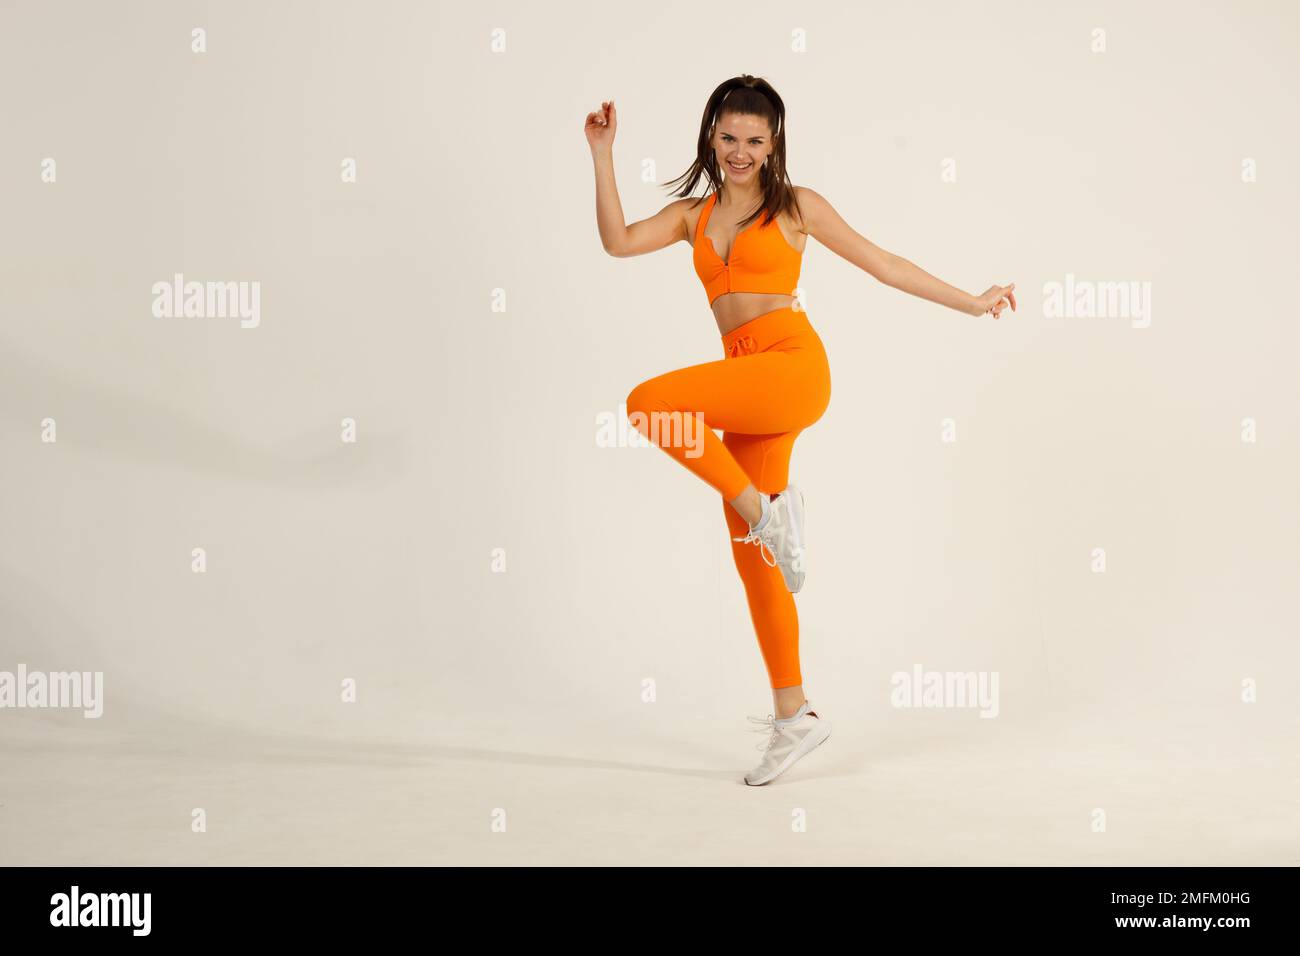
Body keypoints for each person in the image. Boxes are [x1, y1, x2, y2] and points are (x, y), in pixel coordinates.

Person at [586, 74, 1015, 786]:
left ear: (774, 141)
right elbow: (617, 242)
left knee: (647, 403)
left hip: (790, 368)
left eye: (755, 139)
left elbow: (885, 264)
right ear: (711, 136)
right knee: (753, 560)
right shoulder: (693, 217)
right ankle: (795, 716)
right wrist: (603, 155)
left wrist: (971, 303)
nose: (740, 151)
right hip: (744, 384)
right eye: (729, 137)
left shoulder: (796, 207)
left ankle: (768, 513)